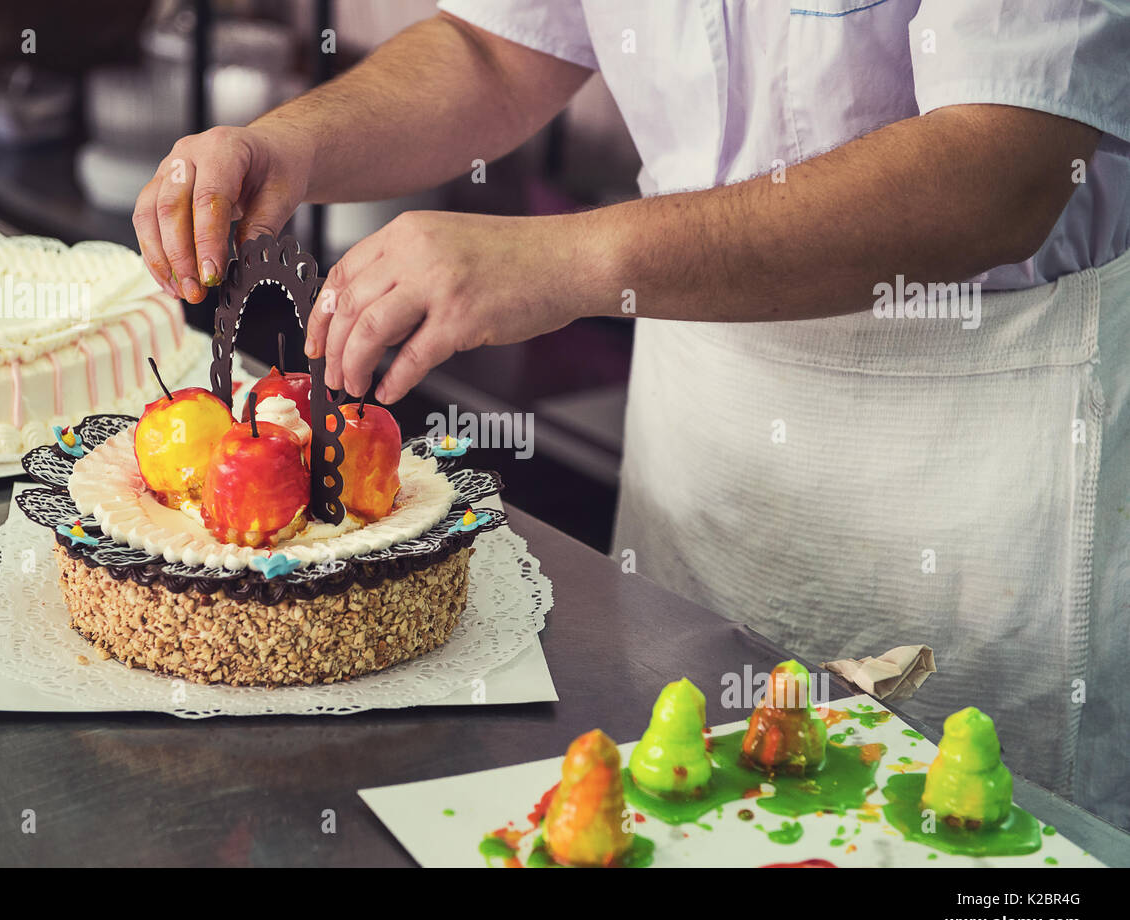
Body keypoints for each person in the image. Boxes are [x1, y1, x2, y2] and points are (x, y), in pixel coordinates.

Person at [133, 2, 1130, 828]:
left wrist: (571, 262)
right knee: (679, 809)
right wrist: (291, 144)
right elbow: (497, 47)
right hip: (699, 443)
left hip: (980, 456)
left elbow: (997, 169)